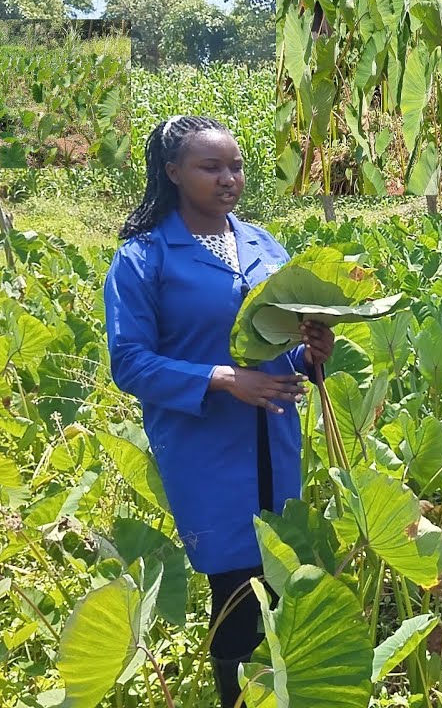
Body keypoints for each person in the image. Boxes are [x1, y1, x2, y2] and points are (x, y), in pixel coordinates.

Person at [103, 115, 335, 706]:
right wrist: (224, 380)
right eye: (210, 167)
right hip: (204, 443)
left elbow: (281, 343)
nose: (228, 178)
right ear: (173, 172)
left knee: (278, 575)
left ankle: (280, 694)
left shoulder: (264, 245)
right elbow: (130, 362)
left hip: (274, 433)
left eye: (235, 166)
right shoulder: (144, 258)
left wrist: (313, 352)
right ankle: (237, 696)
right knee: (233, 584)